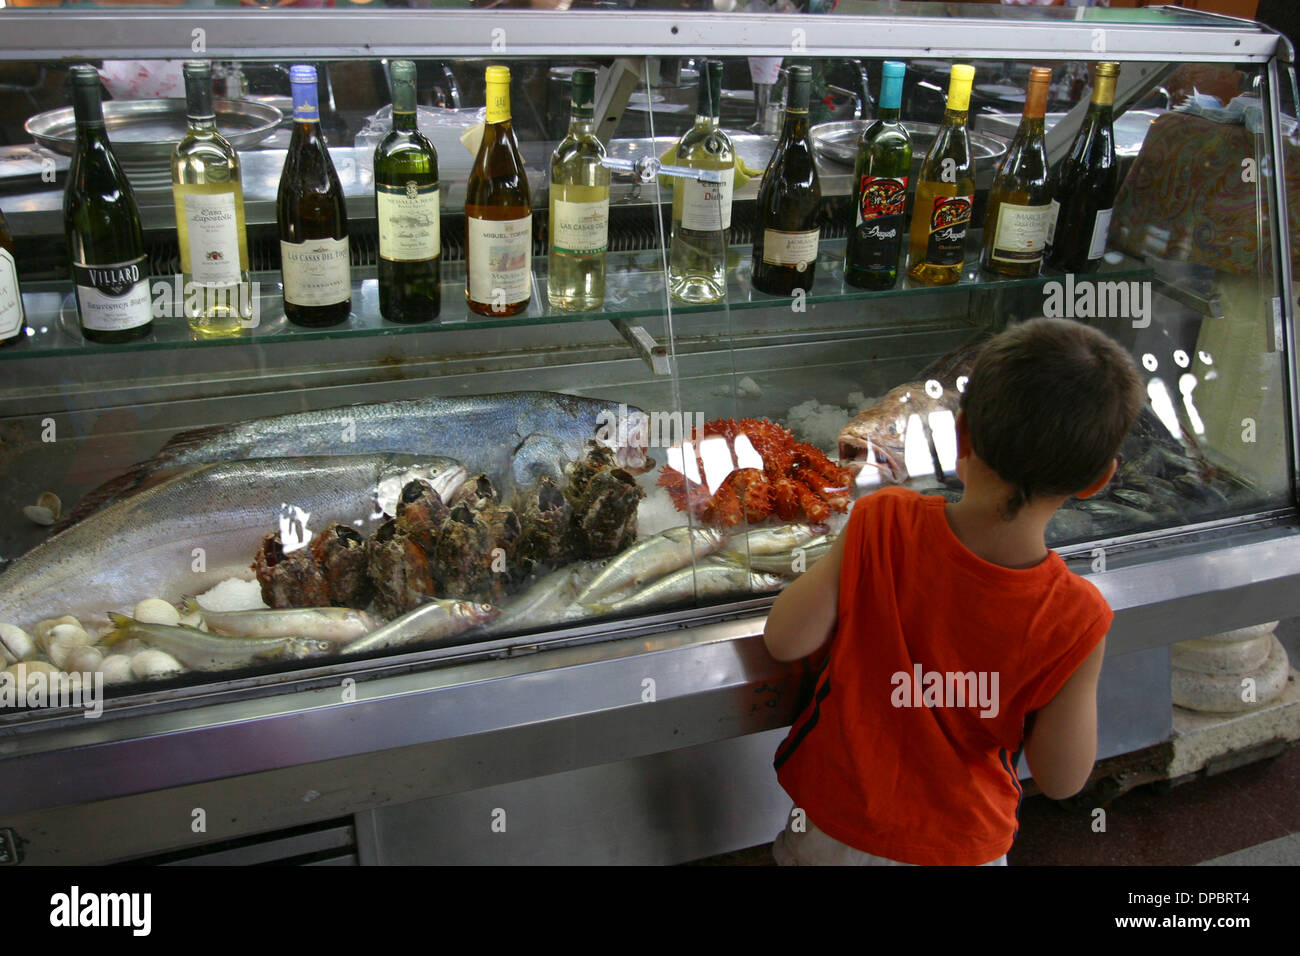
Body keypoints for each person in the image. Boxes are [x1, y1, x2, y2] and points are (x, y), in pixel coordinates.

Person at [763, 317, 1144, 866]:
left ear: (958, 436)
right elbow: (1063, 779)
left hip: (837, 830)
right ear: (1098, 480)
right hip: (964, 846)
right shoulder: (1079, 617)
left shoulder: (883, 520)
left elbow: (785, 640)